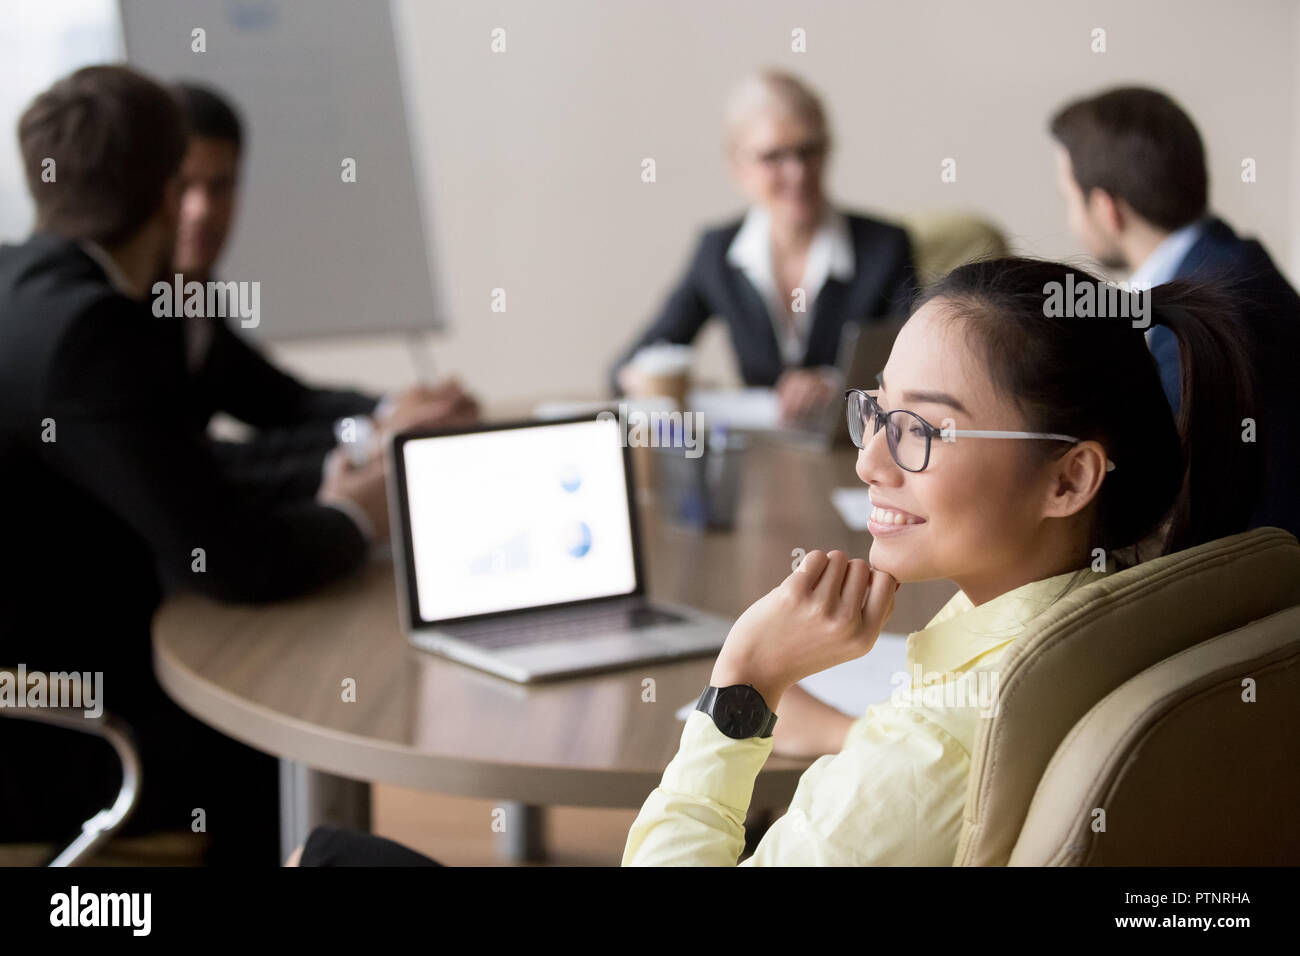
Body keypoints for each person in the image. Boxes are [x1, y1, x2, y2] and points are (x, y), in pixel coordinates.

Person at [289, 256, 1260, 865]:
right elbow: (968, 779)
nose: (872, 460)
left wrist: (743, 686)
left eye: (922, 429)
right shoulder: (1115, 618)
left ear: (1069, 477)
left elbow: (927, 772)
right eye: (877, 412)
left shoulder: (930, 750)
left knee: (324, 855)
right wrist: (849, 736)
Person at [0, 65, 384, 863]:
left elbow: (198, 478)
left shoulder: (24, 288)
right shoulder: (92, 335)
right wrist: (356, 516)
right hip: (52, 739)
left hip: (38, 689)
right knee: (281, 713)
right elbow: (234, 559)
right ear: (167, 194)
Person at [169, 81, 477, 503]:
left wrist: (401, 408)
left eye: (221, 186)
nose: (201, 210)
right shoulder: (126, 314)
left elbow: (283, 402)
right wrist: (373, 437)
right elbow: (199, 467)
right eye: (182, 186)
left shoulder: (194, 295)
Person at [1049, 85, 1300, 540]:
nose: (1071, 222)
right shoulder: (1232, 260)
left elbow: (1166, 496)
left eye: (1068, 200)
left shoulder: (1203, 317)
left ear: (1106, 209)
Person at [610, 70, 916, 423]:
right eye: (773, 157)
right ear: (737, 167)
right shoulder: (717, 253)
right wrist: (649, 380)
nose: (797, 173)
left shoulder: (885, 247)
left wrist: (837, 385)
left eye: (808, 151)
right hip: (761, 450)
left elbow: (920, 368)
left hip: (856, 446)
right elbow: (627, 365)